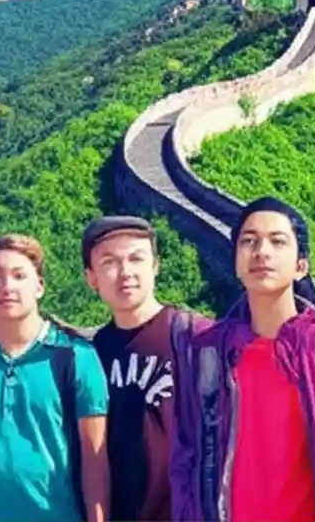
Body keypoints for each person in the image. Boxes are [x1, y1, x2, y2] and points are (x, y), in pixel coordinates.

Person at [170, 196, 315, 522]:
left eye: (277, 241)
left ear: (300, 266)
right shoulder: (206, 352)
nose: (261, 251)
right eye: (249, 241)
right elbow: (185, 456)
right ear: (237, 262)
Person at [0, 234, 110, 522]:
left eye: (19, 276)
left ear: (39, 286)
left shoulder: (75, 357)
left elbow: (95, 460)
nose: (7, 287)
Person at [83, 215, 213, 521]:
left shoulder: (196, 338)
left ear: (155, 266)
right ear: (91, 278)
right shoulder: (90, 357)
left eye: (136, 258)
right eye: (110, 262)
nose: (125, 272)